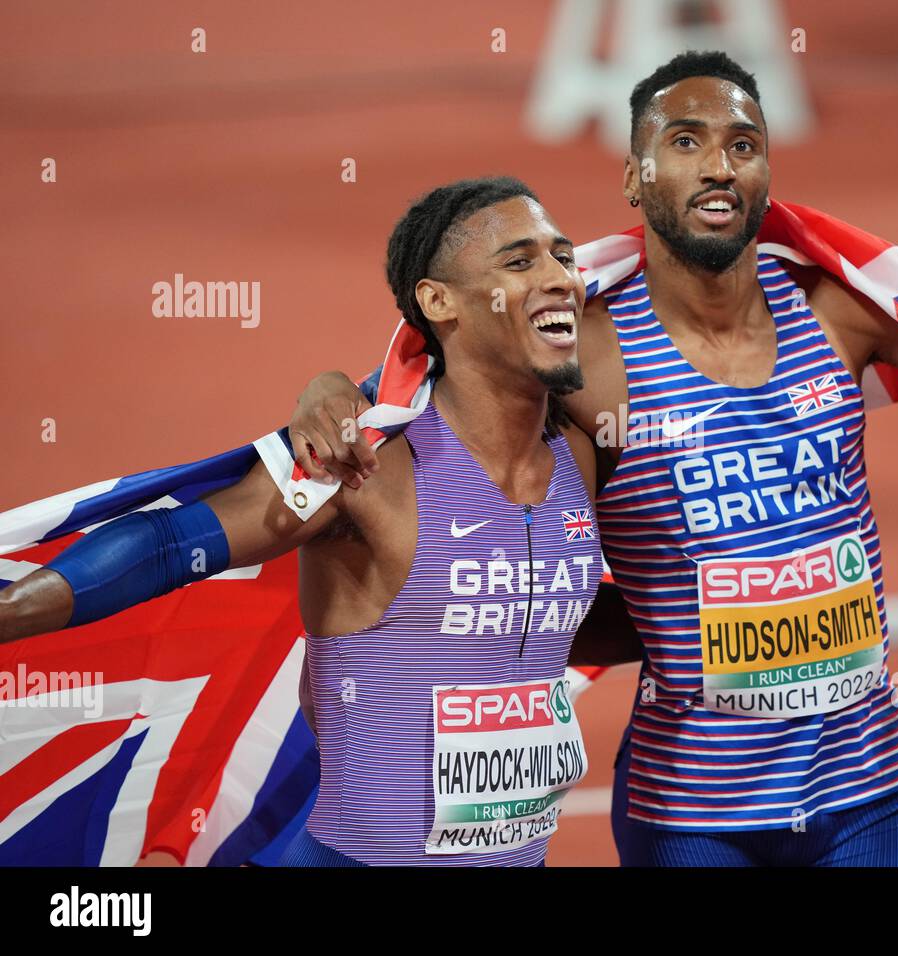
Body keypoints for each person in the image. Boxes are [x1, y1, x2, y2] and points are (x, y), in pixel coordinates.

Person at [289, 52, 898, 866]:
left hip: (871, 794)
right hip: (693, 815)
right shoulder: (584, 353)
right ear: (636, 178)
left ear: (764, 174)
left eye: (743, 144)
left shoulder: (838, 313)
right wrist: (331, 388)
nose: (718, 165)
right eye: (685, 142)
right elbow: (433, 387)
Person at [0, 177, 605, 866]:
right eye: (521, 262)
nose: (559, 276)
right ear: (438, 302)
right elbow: (171, 544)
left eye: (563, 255)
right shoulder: (365, 465)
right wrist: (16, 608)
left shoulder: (581, 458)